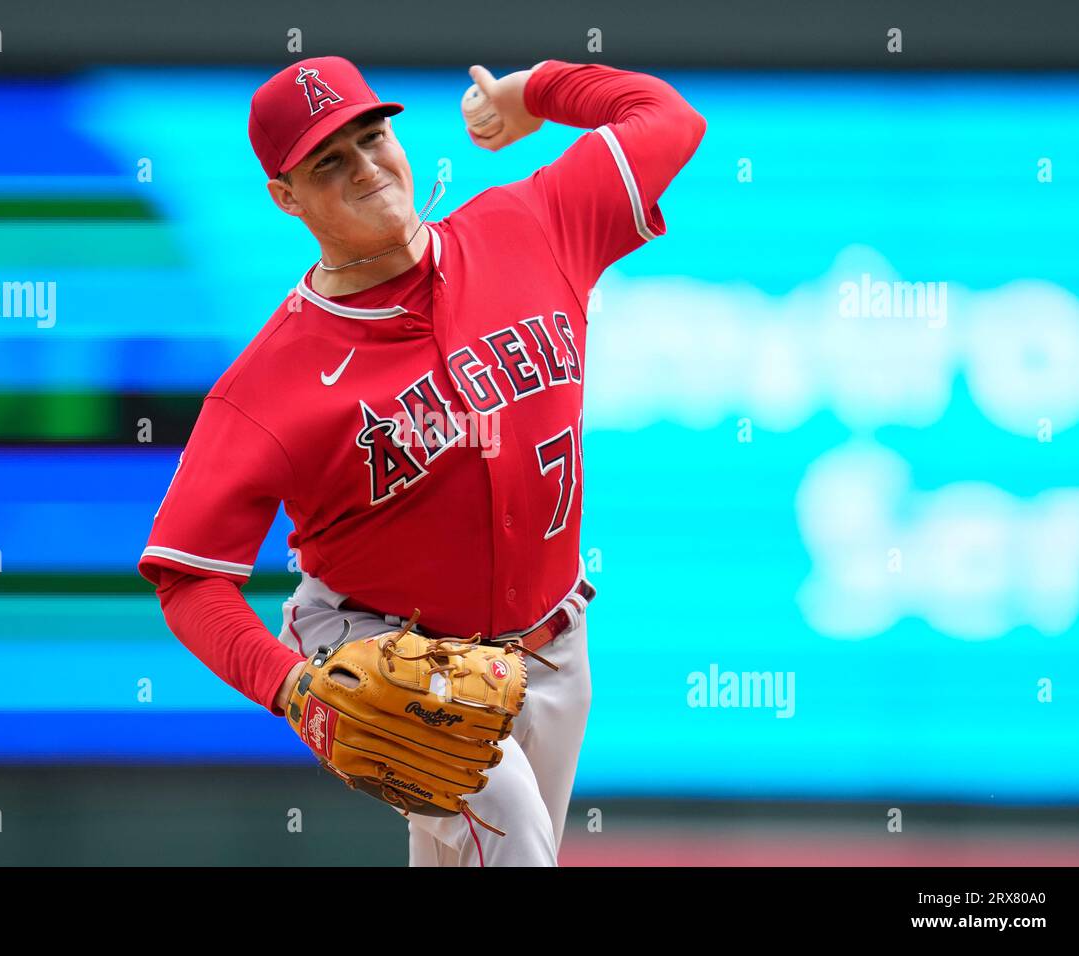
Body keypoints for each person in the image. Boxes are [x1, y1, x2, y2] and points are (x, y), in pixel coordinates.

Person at [138, 55, 706, 866]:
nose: (367, 166)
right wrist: (291, 687)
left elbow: (669, 119)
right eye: (329, 161)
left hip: (553, 646)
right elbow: (190, 576)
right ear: (286, 198)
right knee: (512, 838)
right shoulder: (269, 382)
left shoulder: (532, 224)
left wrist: (530, 90)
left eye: (372, 135)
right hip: (380, 649)